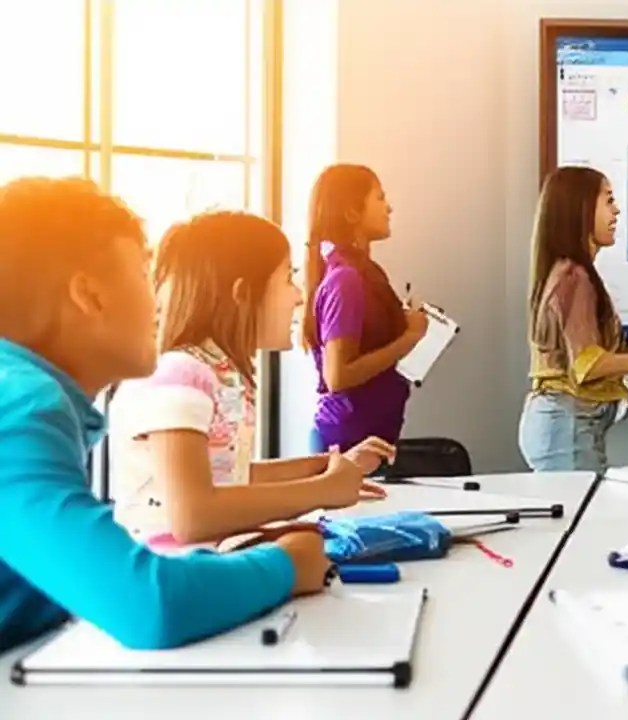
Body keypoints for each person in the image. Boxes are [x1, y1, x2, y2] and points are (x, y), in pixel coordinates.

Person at [0, 177, 331, 654]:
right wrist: (287, 564)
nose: (157, 301)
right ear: (88, 295)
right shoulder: (21, 409)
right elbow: (146, 603)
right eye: (141, 272)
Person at [109, 211, 395, 548]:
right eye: (288, 278)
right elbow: (193, 517)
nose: (299, 296)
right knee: (307, 552)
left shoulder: (214, 372)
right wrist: (324, 490)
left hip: (206, 562)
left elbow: (231, 473)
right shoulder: (181, 375)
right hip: (169, 576)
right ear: (242, 293)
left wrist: (327, 466)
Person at [519, 166, 628, 472]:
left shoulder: (565, 272)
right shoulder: (575, 277)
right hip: (566, 426)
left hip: (564, 423)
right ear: (580, 209)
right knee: (583, 516)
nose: (616, 210)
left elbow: (583, 355)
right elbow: (588, 364)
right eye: (608, 200)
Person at [302, 164, 427, 453]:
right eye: (380, 198)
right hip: (346, 442)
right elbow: (338, 376)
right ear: (352, 212)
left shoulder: (364, 272)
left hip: (369, 437)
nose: (390, 208)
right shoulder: (346, 278)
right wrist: (408, 339)